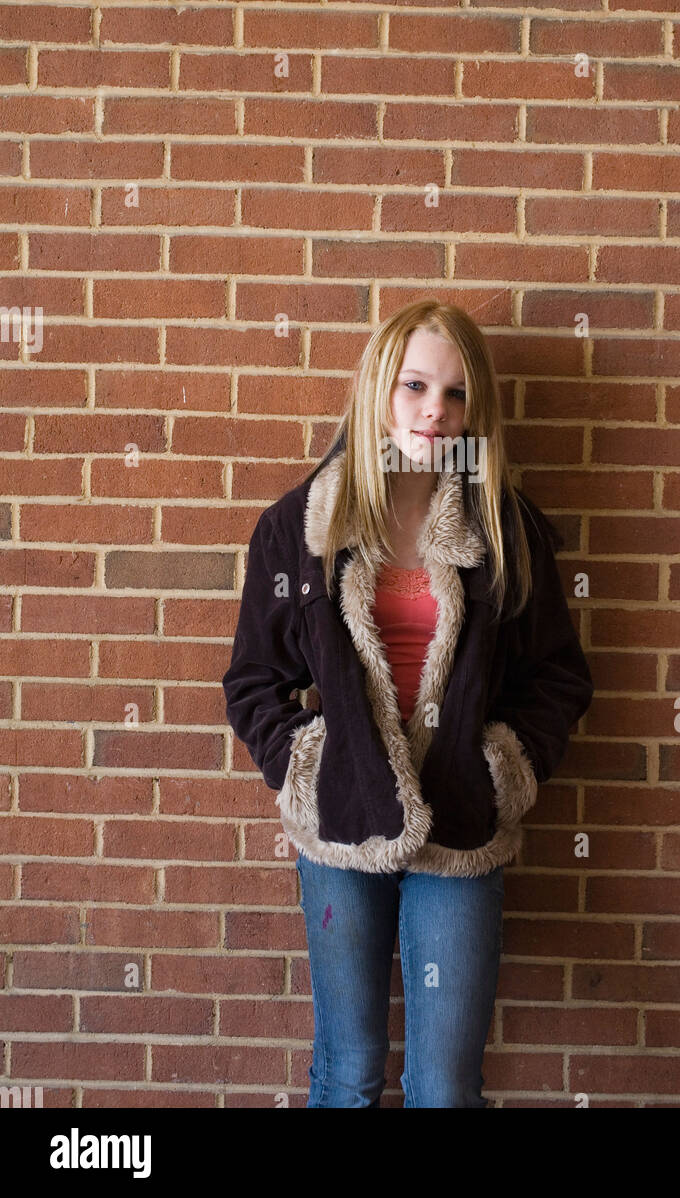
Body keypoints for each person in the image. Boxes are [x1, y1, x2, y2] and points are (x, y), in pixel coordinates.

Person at [222, 299, 593, 1107]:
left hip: (461, 824)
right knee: (348, 1074)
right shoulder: (302, 529)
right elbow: (252, 680)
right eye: (416, 385)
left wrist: (506, 771)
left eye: (456, 393)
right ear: (379, 391)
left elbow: (560, 677)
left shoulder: (505, 531)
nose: (435, 410)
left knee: (445, 1088)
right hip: (342, 827)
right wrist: (307, 766)